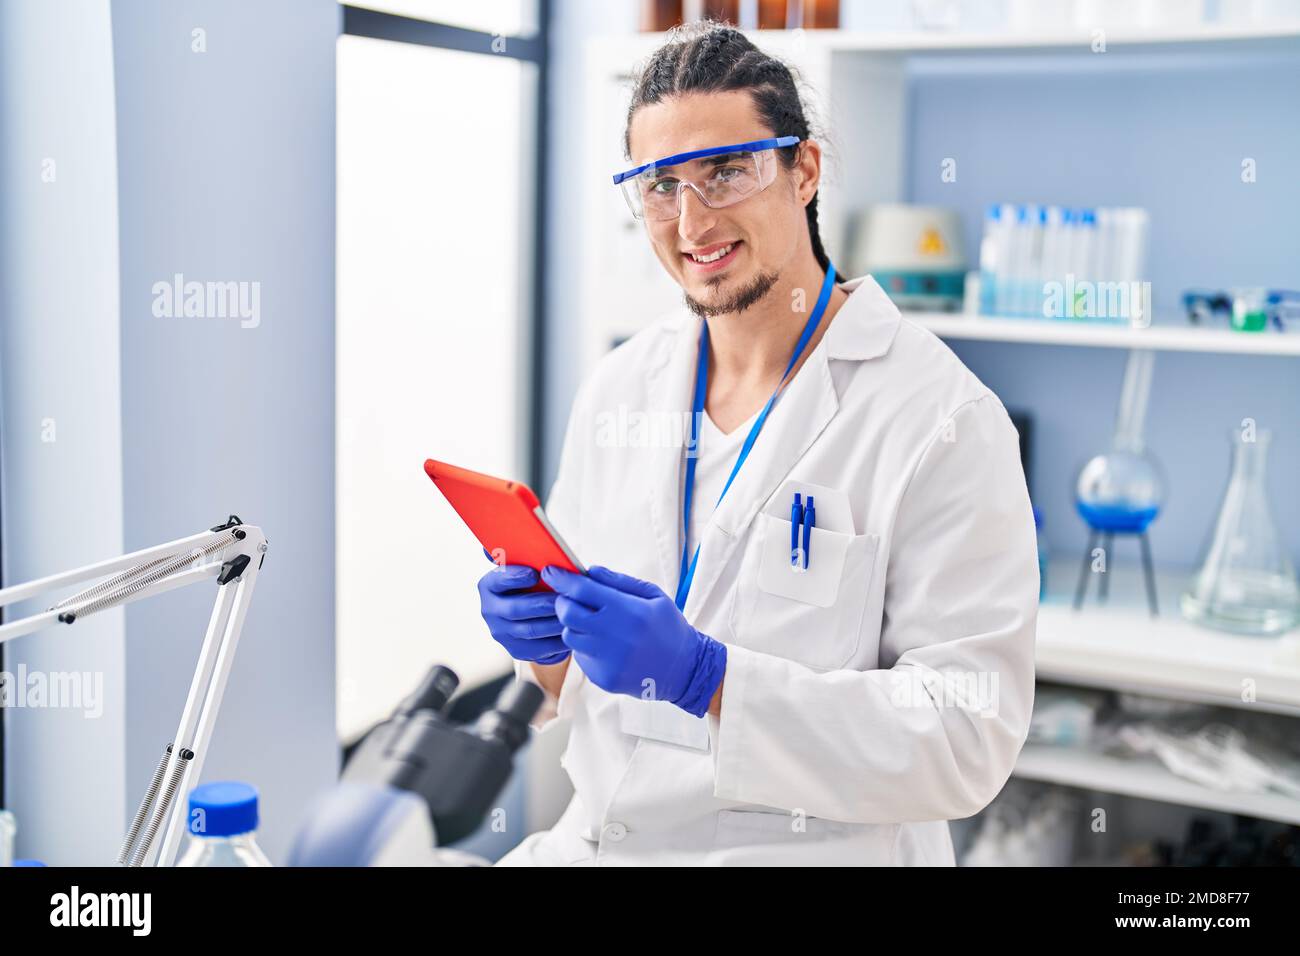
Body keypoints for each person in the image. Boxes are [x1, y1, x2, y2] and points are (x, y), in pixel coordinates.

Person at [482, 22, 1038, 866]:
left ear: (803, 170)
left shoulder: (942, 418)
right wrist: (548, 648)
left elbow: (965, 739)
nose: (692, 219)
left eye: (727, 172)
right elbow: (585, 696)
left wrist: (712, 679)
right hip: (599, 843)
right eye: (660, 185)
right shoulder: (619, 390)